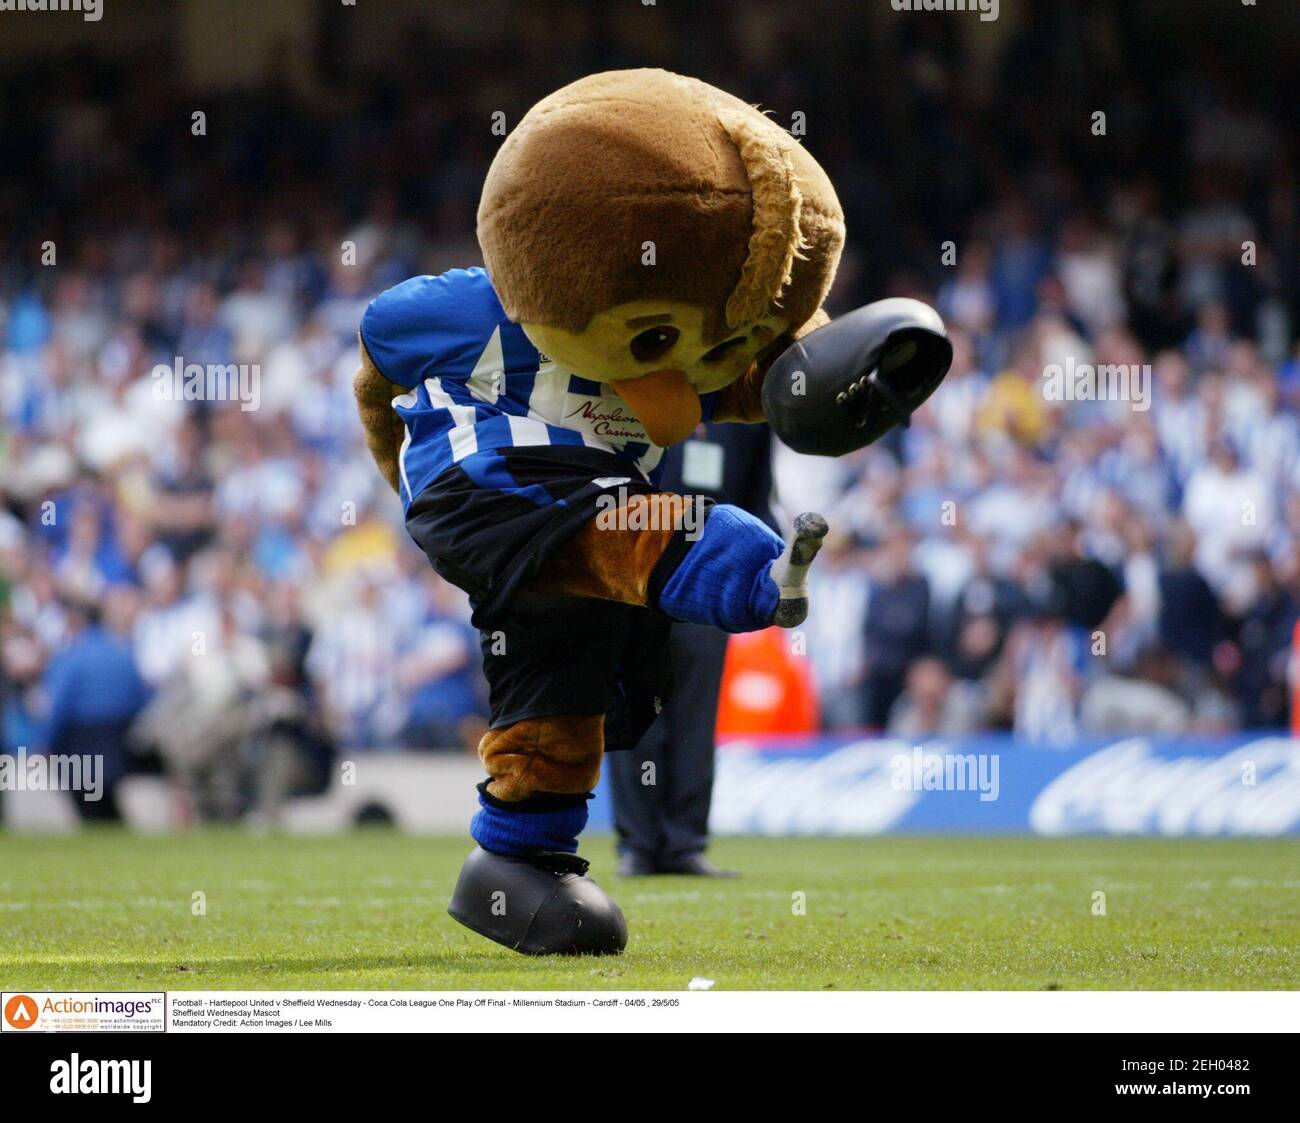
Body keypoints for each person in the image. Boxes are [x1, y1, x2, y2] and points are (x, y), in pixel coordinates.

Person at [608, 422, 777, 877]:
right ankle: (637, 845)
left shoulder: (747, 421)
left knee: (696, 719)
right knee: (634, 712)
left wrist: (769, 571)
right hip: (637, 576)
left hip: (712, 581)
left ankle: (685, 844)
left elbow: (757, 499)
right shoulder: (635, 399)